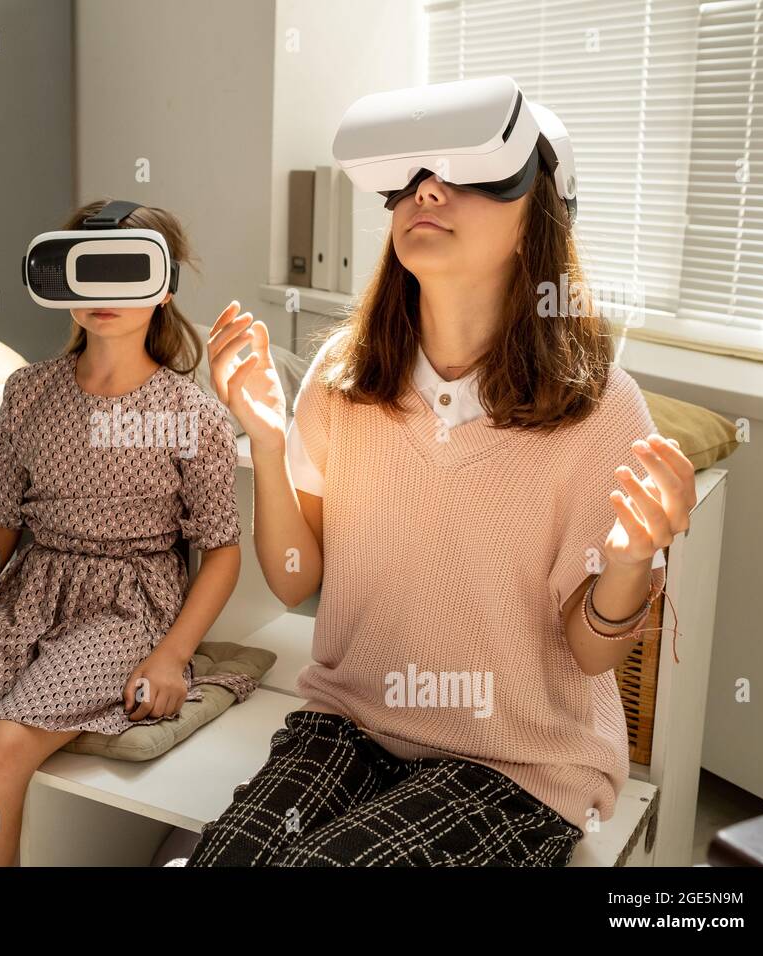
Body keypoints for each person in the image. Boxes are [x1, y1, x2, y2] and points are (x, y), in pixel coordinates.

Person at [190, 149, 695, 866]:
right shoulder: (341, 379)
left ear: (535, 223)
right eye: (413, 178)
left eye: (470, 175)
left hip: (520, 764)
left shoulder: (603, 407)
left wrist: (629, 561)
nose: (427, 189)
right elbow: (296, 580)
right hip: (349, 722)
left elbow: (591, 653)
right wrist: (268, 447)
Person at [0, 201, 243, 866]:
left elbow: (220, 552)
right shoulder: (29, 392)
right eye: (86, 271)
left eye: (123, 272)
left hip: (129, 611)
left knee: (1, 745)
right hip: (28, 595)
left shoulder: (192, 413)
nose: (102, 294)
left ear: (162, 285)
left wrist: (172, 656)